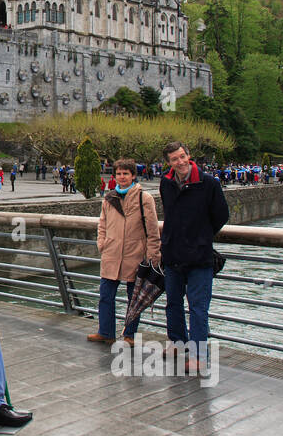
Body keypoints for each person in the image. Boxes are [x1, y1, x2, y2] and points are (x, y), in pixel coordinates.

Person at [159, 142, 229, 372]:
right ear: (168, 162)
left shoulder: (209, 183)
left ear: (189, 156)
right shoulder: (166, 182)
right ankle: (177, 341)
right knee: (172, 303)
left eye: (182, 157)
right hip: (173, 252)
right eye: (174, 159)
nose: (179, 162)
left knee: (198, 307)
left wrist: (201, 235)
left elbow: (221, 215)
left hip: (199, 254)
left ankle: (199, 355)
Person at [88, 159, 160, 347]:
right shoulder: (109, 197)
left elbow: (152, 229)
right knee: (105, 295)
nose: (122, 177)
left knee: (133, 298)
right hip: (111, 252)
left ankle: (129, 335)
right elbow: (102, 223)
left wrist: (153, 254)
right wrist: (101, 243)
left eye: (126, 174)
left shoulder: (144, 197)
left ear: (133, 175)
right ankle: (105, 332)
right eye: (119, 174)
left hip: (134, 254)